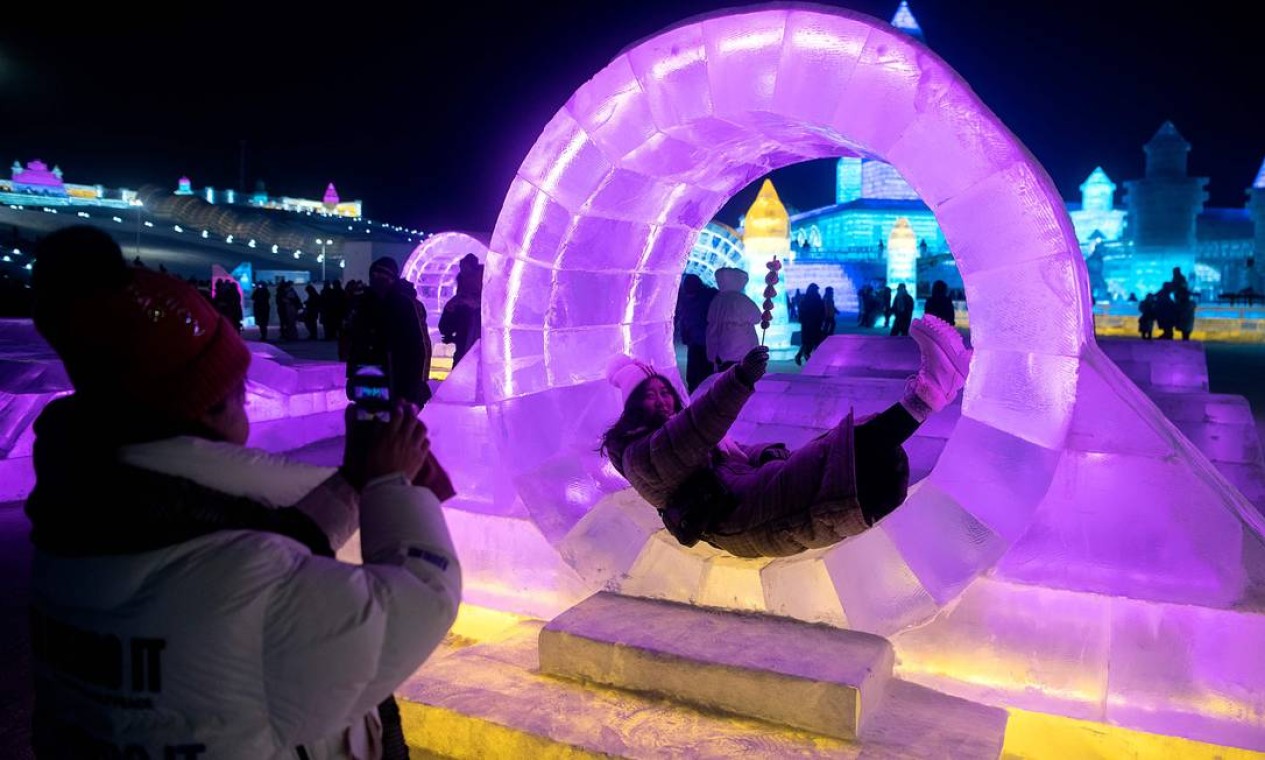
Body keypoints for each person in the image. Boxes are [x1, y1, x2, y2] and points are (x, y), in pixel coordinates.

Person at [26, 226, 461, 759]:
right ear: (206, 409)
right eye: (237, 397)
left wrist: (352, 485)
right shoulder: (251, 582)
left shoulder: (77, 520)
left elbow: (229, 537)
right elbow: (421, 600)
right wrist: (394, 485)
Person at [600, 314, 971, 558]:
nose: (664, 400)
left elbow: (735, 452)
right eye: (650, 397)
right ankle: (930, 391)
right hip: (738, 517)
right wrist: (737, 380)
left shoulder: (681, 443)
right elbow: (689, 433)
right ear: (632, 407)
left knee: (860, 458)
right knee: (844, 456)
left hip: (747, 499)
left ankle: (934, 390)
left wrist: (767, 454)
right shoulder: (640, 456)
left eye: (665, 392)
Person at [346, 256, 433, 407]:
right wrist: (351, 375)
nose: (377, 279)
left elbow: (422, 345)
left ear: (392, 278)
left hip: (399, 374)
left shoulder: (407, 304)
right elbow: (355, 343)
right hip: (368, 372)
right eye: (374, 275)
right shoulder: (364, 304)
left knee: (396, 423)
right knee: (370, 419)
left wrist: (420, 379)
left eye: (382, 275)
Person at [705, 267, 761, 372]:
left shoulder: (717, 300)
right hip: (743, 348)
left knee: (725, 378)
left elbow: (711, 324)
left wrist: (712, 352)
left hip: (721, 350)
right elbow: (757, 317)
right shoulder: (741, 299)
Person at [674, 273, 718, 393]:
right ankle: (697, 395)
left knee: (701, 373)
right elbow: (684, 317)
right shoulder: (710, 295)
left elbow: (685, 316)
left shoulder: (709, 296)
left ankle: (699, 396)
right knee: (696, 374)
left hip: (706, 341)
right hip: (697, 341)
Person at [794, 283, 824, 366]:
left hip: (810, 324)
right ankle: (807, 358)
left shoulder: (807, 299)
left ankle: (802, 356)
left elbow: (802, 312)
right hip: (811, 324)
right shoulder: (814, 299)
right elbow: (821, 310)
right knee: (810, 341)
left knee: (808, 341)